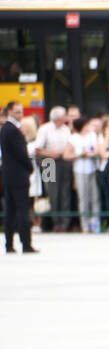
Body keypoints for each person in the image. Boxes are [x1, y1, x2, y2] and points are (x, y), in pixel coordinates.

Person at [2, 101, 36, 252]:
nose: (20, 115)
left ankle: (9, 244)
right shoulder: (13, 130)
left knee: (10, 210)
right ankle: (26, 244)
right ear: (9, 112)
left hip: (9, 174)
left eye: (21, 112)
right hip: (18, 174)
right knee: (22, 209)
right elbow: (21, 153)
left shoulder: (6, 128)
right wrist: (30, 167)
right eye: (16, 112)